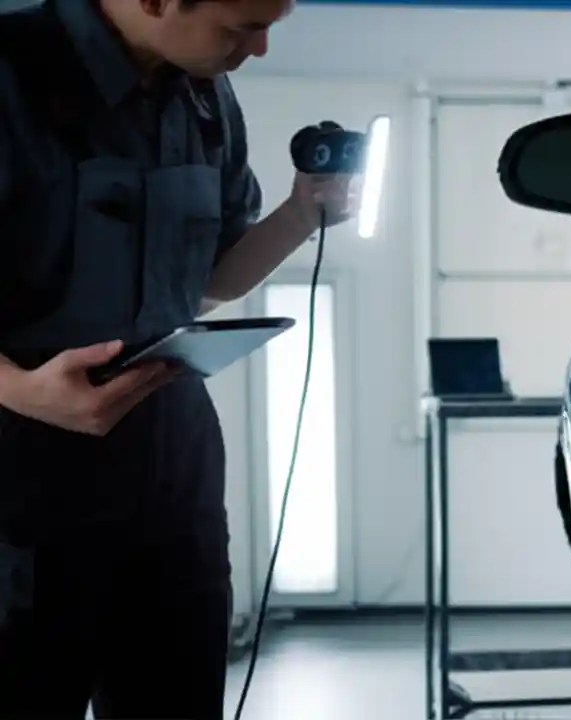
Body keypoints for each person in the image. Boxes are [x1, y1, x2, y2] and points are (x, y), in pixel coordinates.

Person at [0, 1, 357, 717]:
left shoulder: (202, 95)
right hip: (20, 485)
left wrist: (300, 213)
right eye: (242, 26)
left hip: (171, 474)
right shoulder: (11, 75)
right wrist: (20, 391)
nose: (257, 49)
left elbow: (213, 280)